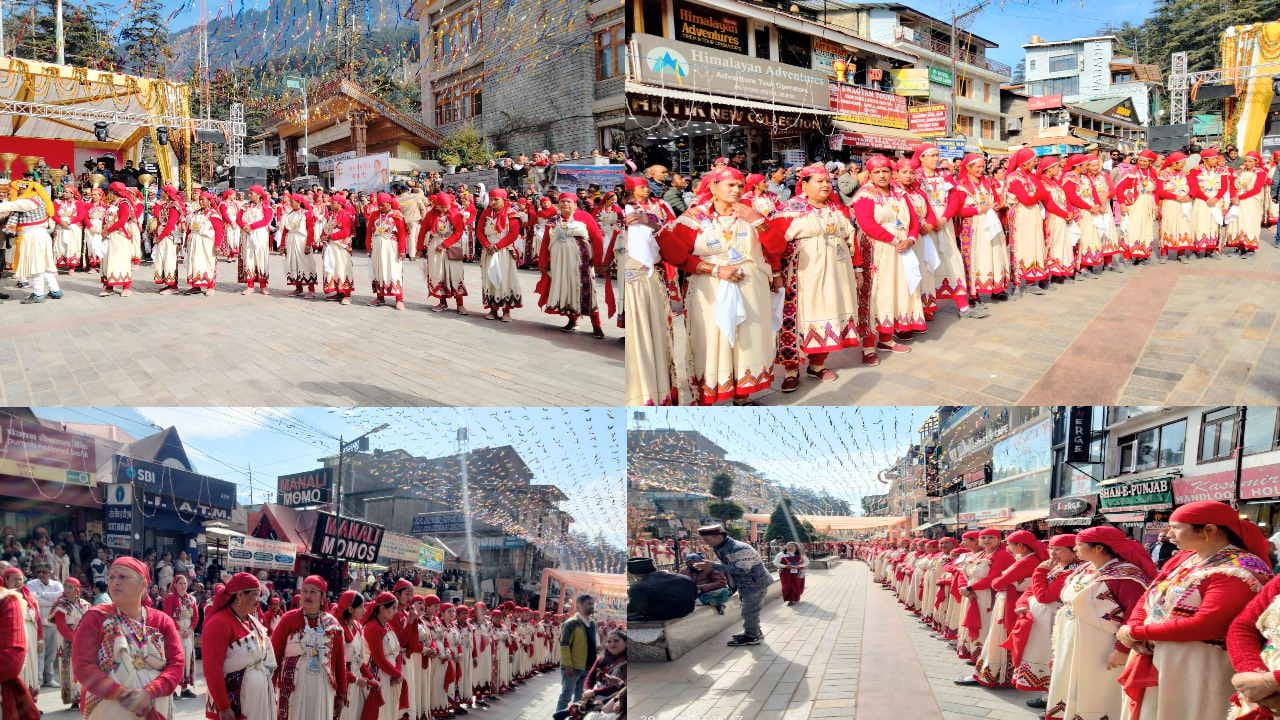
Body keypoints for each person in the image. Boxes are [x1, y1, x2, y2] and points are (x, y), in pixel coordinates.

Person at [1116, 500, 1274, 720]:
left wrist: (1137, 633)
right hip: (1161, 655)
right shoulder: (1186, 558)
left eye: (1175, 527)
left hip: (1198, 665)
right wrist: (1133, 626)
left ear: (1208, 530)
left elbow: (1207, 625)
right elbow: (1150, 594)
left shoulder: (1238, 568)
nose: (1168, 534)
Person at [657, 168, 785, 405]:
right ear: (713, 187)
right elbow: (673, 253)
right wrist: (715, 269)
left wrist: (755, 219)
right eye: (730, 185)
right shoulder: (694, 218)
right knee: (712, 339)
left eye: (740, 186)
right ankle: (708, 397)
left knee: (748, 339)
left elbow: (777, 247)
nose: (737, 190)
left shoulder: (753, 214)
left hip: (751, 288)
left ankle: (742, 395)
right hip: (710, 289)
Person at [1044, 526, 1154, 720]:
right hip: (1073, 637)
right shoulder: (1085, 568)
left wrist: (1122, 649)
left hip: (1102, 644)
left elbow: (1135, 613)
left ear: (1099, 549)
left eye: (1079, 545)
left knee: (1097, 688)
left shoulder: (1126, 576)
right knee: (1073, 681)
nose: (1075, 549)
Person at [771, 163, 862, 390]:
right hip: (803, 276)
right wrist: (774, 273)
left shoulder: (836, 208)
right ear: (804, 184)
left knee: (830, 313)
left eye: (827, 181)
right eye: (819, 181)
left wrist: (858, 268)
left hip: (837, 273)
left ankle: (817, 365)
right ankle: (791, 370)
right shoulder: (789, 209)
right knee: (800, 318)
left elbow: (852, 238)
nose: (826, 185)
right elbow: (773, 244)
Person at [72, 557, 185, 719]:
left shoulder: (161, 621)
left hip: (155, 703)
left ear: (143, 585)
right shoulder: (96, 617)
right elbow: (82, 665)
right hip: (108, 709)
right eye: (111, 577)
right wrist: (122, 694)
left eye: (123, 577)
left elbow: (176, 664)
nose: (115, 582)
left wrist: (149, 693)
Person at [853, 155, 924, 361]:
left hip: (902, 249)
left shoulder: (900, 193)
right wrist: (894, 239)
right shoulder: (864, 195)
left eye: (885, 171)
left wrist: (910, 239)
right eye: (877, 172)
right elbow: (867, 224)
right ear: (870, 174)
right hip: (878, 250)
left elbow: (915, 220)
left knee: (896, 289)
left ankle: (886, 338)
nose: (882, 175)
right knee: (875, 293)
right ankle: (868, 346)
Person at [1003, 533, 1081, 705]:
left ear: (1074, 552)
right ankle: (1050, 696)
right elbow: (1031, 590)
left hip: (1055, 622)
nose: (1052, 553)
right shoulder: (1057, 566)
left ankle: (1055, 698)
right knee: (1046, 658)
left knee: (1052, 659)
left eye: (1058, 550)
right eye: (1051, 548)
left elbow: (1045, 596)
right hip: (1043, 622)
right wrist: (1023, 602)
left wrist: (1039, 571)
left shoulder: (1072, 570)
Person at [622, 175, 678, 406]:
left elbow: (672, 229)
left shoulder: (658, 207)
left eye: (646, 187)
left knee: (654, 328)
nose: (645, 190)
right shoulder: (624, 211)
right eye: (640, 187)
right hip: (633, 276)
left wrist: (654, 223)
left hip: (654, 271)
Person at [965, 530, 1045, 688]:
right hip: (1009, 599)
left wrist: (1004, 581)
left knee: (998, 636)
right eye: (984, 537)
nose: (1007, 547)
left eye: (1009, 544)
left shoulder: (1026, 561)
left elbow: (997, 583)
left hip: (1009, 601)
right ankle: (1001, 673)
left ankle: (995, 674)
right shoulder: (1026, 559)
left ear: (1020, 546)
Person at [202, 571, 277, 720]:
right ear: (239, 595)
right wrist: (223, 707)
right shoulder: (219, 623)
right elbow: (212, 669)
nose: (259, 600)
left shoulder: (252, 621)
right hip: (236, 704)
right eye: (255, 595)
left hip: (257, 702)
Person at [270, 575, 347, 720]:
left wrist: (342, 693)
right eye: (304, 591)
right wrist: (269, 688)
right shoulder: (288, 619)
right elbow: (274, 655)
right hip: (293, 687)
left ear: (323, 596)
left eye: (313, 592)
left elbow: (339, 662)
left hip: (322, 687)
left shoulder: (332, 624)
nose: (307, 595)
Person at [538, 192, 607, 338]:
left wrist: (598, 260)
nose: (565, 204)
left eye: (568, 202)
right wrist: (543, 262)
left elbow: (597, 238)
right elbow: (545, 242)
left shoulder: (585, 217)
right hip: (560, 263)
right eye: (562, 202)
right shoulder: (553, 220)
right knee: (566, 289)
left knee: (587, 290)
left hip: (581, 262)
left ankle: (597, 325)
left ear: (575, 204)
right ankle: (572, 320)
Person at [948, 154, 1008, 308]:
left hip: (990, 223)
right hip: (973, 226)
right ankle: (973, 294)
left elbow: (994, 200)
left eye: (983, 167)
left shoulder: (987, 182)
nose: (981, 170)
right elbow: (958, 210)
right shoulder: (961, 186)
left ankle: (996, 287)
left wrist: (994, 206)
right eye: (978, 167)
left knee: (995, 254)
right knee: (975, 258)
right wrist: (979, 209)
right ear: (968, 167)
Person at [698, 524, 772, 646]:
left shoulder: (739, 548)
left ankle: (752, 636)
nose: (705, 543)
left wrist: (713, 566)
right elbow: (731, 563)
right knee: (748, 610)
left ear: (718, 536)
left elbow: (742, 569)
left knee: (749, 612)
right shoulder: (721, 546)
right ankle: (754, 632)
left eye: (707, 539)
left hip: (755, 584)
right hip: (745, 584)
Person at [956, 528, 1013, 661]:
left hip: (988, 595)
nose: (986, 540)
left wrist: (970, 588)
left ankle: (984, 657)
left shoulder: (1002, 555)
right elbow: (964, 573)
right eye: (983, 538)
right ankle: (974, 652)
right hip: (972, 594)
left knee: (985, 623)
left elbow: (993, 578)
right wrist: (964, 587)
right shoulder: (980, 555)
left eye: (991, 537)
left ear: (999, 540)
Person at [556, 628, 625, 720]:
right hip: (595, 696)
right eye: (609, 641)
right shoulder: (601, 658)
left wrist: (594, 692)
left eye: (616, 641)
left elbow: (622, 686)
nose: (612, 644)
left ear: (626, 642)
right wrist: (587, 690)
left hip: (615, 699)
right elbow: (590, 677)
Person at [476, 188, 523, 321]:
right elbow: (479, 231)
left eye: (496, 199)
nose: (493, 202)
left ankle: (507, 311)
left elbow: (513, 234)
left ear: (504, 200)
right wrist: (487, 245)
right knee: (490, 278)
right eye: (491, 199)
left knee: (505, 279)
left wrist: (497, 246)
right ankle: (493, 309)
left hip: (503, 251)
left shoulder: (512, 213)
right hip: (489, 250)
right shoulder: (486, 213)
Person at [48, 576, 89, 709]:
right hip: (67, 639)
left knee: (84, 666)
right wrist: (74, 638)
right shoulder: (61, 604)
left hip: (83, 639)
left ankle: (85, 695)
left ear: (77, 589)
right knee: (68, 667)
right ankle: (73, 698)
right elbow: (61, 625)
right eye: (65, 586)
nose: (66, 589)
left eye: (70, 587)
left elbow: (90, 622)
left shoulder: (85, 604)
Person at [361, 591, 403, 720]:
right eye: (393, 608)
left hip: (391, 673)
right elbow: (379, 659)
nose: (395, 612)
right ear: (382, 608)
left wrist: (398, 672)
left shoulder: (388, 626)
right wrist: (396, 674)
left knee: (391, 708)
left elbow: (397, 652)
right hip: (380, 675)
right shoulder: (372, 628)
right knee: (381, 711)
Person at [1114, 150, 1160, 264]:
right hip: (1135, 204)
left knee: (1146, 228)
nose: (1143, 163)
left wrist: (1156, 205)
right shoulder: (1131, 172)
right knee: (1131, 228)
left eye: (1145, 161)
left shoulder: (1153, 173)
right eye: (1141, 160)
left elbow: (1156, 191)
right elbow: (1119, 188)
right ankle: (1128, 255)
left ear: (1150, 162)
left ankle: (1142, 254)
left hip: (1148, 204)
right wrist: (1122, 204)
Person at [367, 193, 408, 311]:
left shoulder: (396, 215)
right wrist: (368, 247)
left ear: (389, 204)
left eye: (383, 205)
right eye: (379, 205)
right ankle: (380, 297)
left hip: (392, 248)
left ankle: (399, 299)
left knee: (394, 271)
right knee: (379, 271)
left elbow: (402, 234)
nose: (380, 207)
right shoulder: (374, 215)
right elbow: (369, 231)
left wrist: (402, 250)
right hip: (377, 248)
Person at [556, 594, 597, 713]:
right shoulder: (571, 623)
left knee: (580, 698)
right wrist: (568, 665)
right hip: (572, 667)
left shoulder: (592, 624)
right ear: (579, 605)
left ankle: (575, 717)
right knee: (566, 696)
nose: (591, 606)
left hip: (587, 667)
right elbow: (564, 645)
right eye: (589, 604)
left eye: (592, 604)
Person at [161, 573, 199, 699]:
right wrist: (178, 629)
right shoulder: (170, 598)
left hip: (188, 633)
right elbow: (167, 616)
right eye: (180, 583)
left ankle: (184, 688)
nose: (183, 586)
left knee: (187, 658)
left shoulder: (191, 599)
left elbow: (196, 617)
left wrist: (190, 629)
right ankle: (172, 690)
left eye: (185, 583)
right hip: (175, 633)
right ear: (175, 585)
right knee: (174, 659)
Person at [24, 562, 61, 689]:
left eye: (44, 572)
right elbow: (33, 600)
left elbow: (60, 598)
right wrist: (50, 600)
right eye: (39, 572)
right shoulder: (31, 584)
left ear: (50, 572)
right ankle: (38, 680)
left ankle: (49, 679)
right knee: (39, 652)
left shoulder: (57, 584)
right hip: (38, 624)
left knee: (52, 653)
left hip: (53, 623)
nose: (41, 574)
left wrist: (42, 596)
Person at [626, 557, 695, 622]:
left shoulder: (638, 587)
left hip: (664, 615)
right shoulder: (685, 578)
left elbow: (635, 608)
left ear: (634, 574)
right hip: (687, 610)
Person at [1226, 151, 1268, 256]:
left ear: (1256, 162)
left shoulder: (1260, 172)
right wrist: (1233, 197)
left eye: (1250, 161)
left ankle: (1250, 247)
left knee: (1250, 222)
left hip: (1251, 202)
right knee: (1238, 221)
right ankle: (1240, 246)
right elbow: (1232, 184)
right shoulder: (1240, 171)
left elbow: (1256, 189)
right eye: (1245, 161)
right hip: (1238, 201)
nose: (1247, 163)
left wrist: (1239, 197)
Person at [1157, 152, 1195, 262]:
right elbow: (1160, 191)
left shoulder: (1185, 173)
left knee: (1184, 226)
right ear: (1174, 163)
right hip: (1170, 203)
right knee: (1168, 226)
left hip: (1184, 204)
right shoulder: (1163, 173)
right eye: (1182, 163)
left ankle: (1181, 253)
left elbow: (1193, 186)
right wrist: (1175, 196)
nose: (1184, 165)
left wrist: (1189, 196)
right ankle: (1164, 253)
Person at [279, 194, 318, 297]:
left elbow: (310, 230)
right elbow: (285, 231)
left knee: (306, 263)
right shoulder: (289, 215)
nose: (290, 203)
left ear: (299, 202)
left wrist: (308, 244)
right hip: (291, 241)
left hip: (302, 241)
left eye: (292, 201)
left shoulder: (306, 214)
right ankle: (298, 288)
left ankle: (311, 289)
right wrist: (282, 244)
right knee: (293, 263)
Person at [322, 195, 355, 304]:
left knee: (343, 268)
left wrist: (330, 237)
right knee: (334, 268)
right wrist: (324, 236)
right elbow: (327, 228)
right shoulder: (332, 215)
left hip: (341, 247)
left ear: (340, 204)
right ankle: (338, 292)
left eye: (333, 203)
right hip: (332, 246)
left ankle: (347, 294)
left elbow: (345, 232)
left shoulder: (345, 215)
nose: (330, 204)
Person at [775, 541, 808, 607]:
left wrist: (799, 566)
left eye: (792, 546)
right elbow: (775, 562)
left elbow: (807, 562)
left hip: (798, 572)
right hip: (786, 574)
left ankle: (795, 598)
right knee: (787, 586)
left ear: (796, 547)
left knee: (797, 585)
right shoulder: (781, 554)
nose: (790, 547)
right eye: (788, 546)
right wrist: (785, 566)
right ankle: (790, 599)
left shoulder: (801, 554)